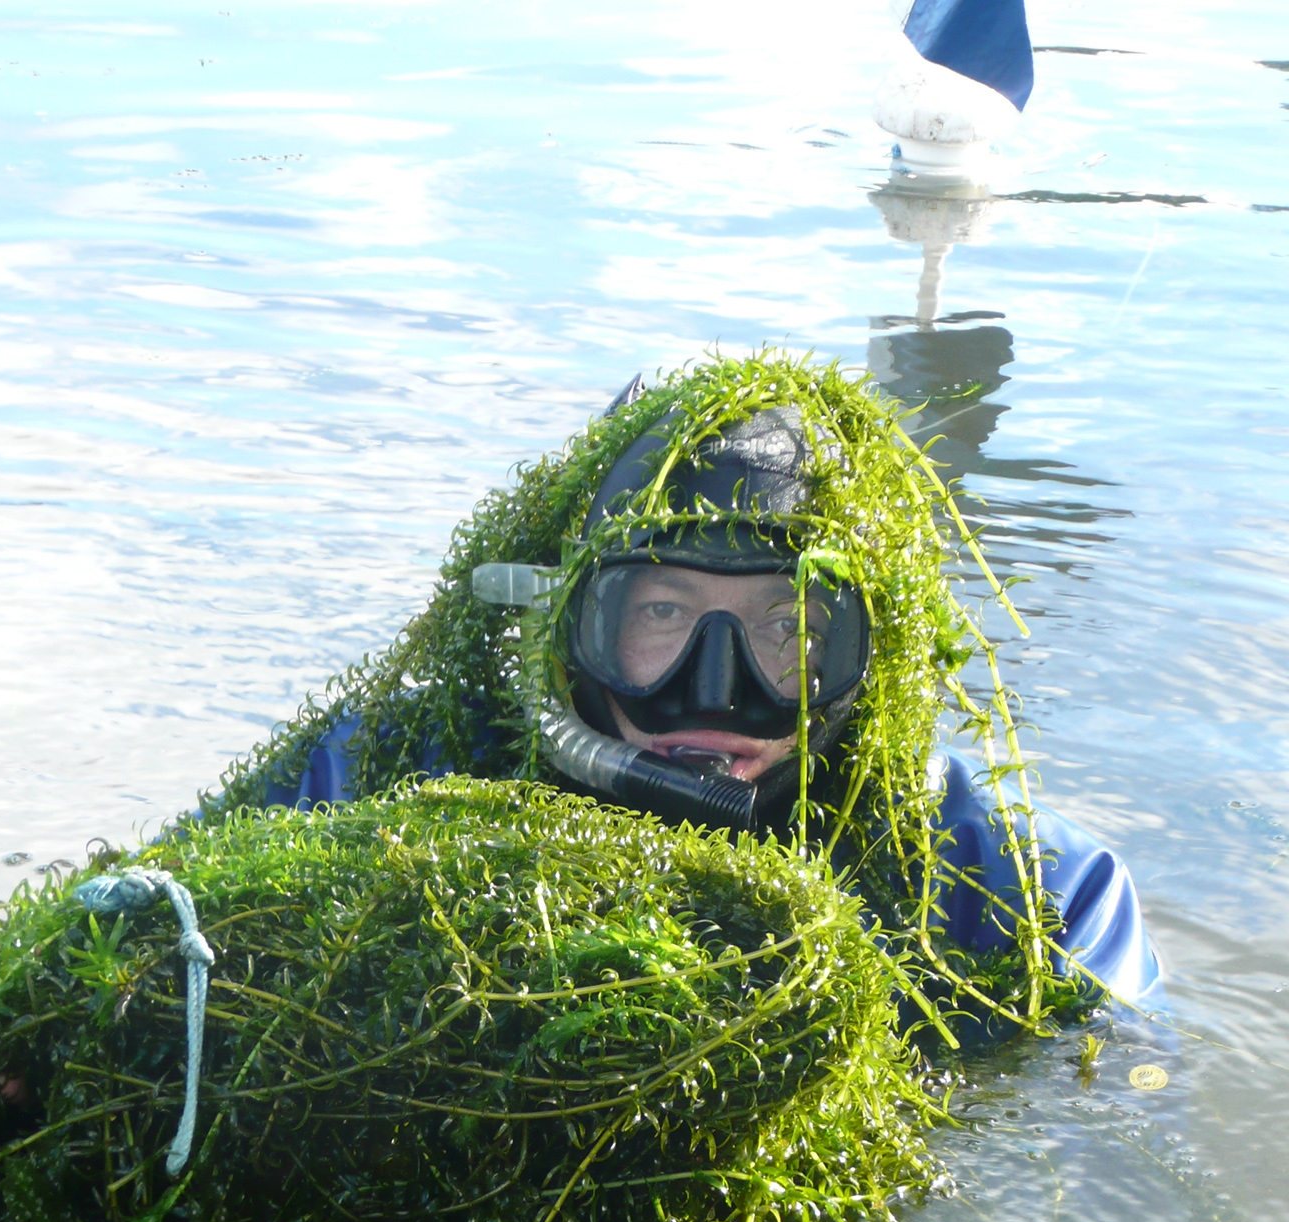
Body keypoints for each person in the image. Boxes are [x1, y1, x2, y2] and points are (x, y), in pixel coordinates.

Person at [251, 377, 1159, 1009]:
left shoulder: (1027, 898)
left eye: (790, 628)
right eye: (658, 610)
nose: (716, 692)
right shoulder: (361, 789)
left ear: (869, 658)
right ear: (564, 626)